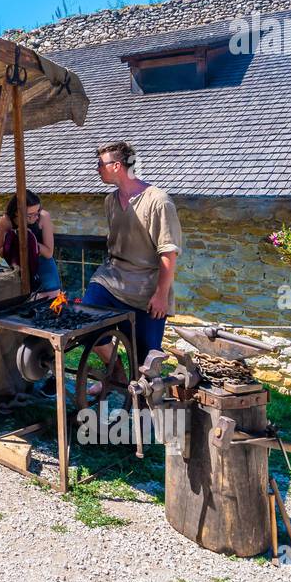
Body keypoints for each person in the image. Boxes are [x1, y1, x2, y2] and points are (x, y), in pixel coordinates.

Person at [83, 140, 182, 393]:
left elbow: (168, 253)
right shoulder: (110, 201)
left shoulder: (158, 201)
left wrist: (161, 295)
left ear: (116, 166)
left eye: (100, 164)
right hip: (112, 278)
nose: (97, 169)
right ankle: (115, 372)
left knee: (145, 357)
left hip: (146, 287)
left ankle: (146, 406)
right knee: (85, 321)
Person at [0, 189, 62, 299]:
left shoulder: (43, 217)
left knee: (51, 305)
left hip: (44, 268)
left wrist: (31, 241)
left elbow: (49, 253)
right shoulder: (6, 221)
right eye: (30, 215)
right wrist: (13, 240)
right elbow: (1, 252)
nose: (36, 217)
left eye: (37, 212)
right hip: (20, 269)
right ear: (18, 212)